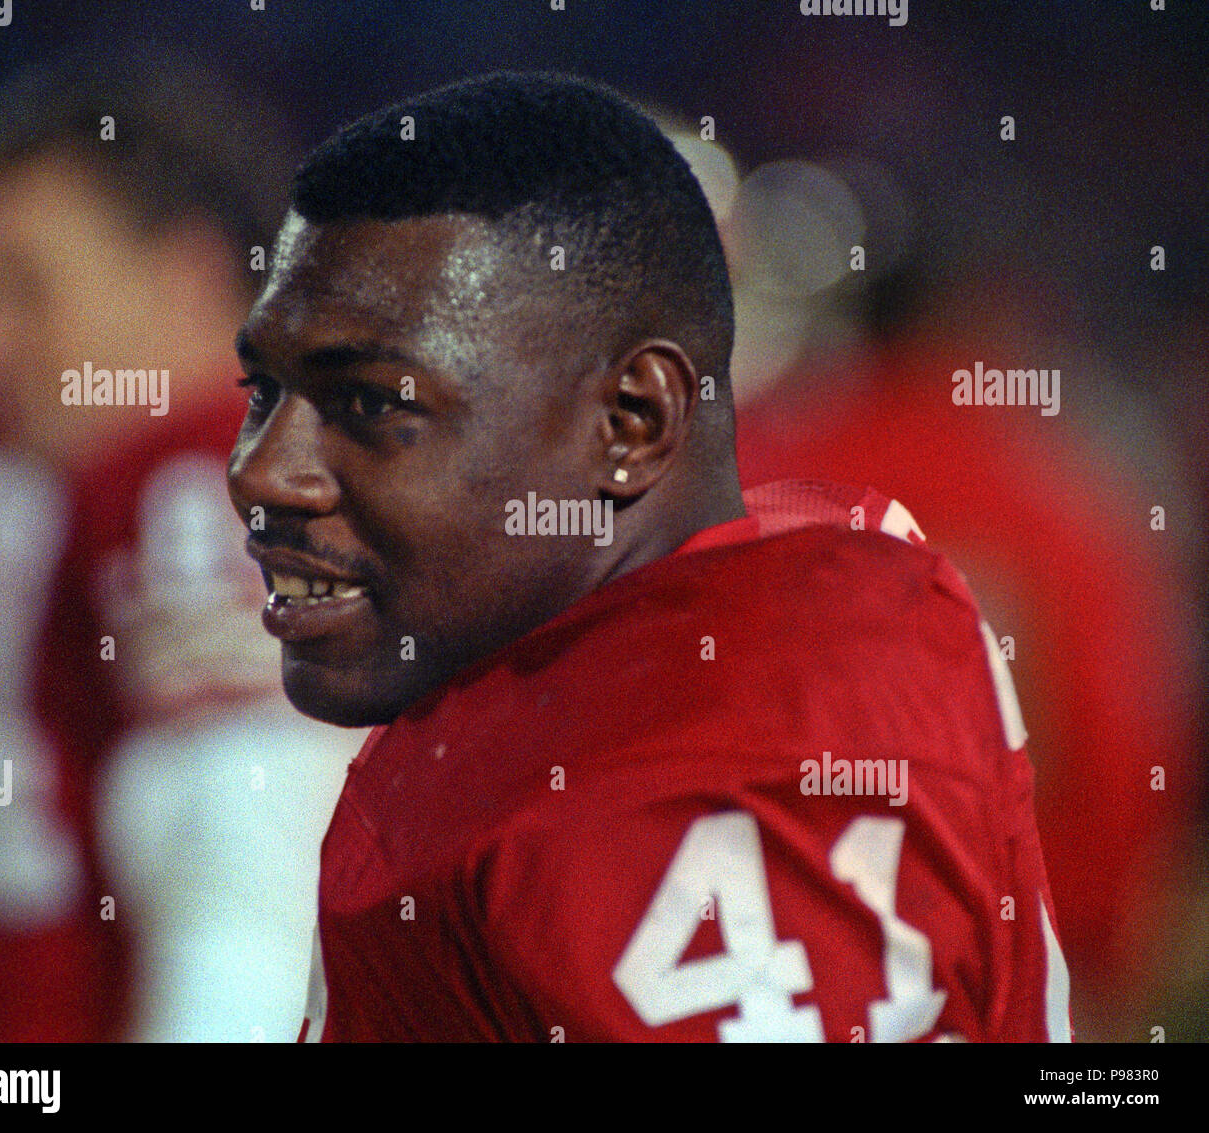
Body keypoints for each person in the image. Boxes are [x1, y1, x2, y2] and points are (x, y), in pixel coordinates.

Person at [227, 71, 1071, 1042]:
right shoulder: (833, 564)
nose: (262, 473)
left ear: (632, 420)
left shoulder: (666, 766)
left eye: (372, 402)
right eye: (263, 392)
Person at [0, 54, 355, 1041]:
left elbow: (244, 882)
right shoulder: (129, 483)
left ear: (189, 279)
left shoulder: (193, 481)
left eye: (27, 288)